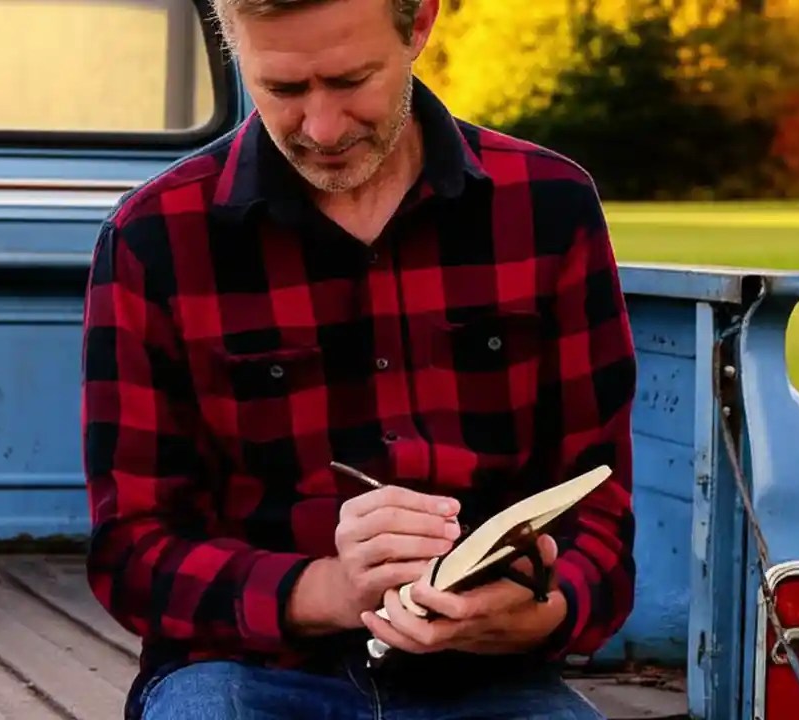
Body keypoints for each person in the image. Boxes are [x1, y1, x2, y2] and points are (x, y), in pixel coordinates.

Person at [81, 0, 637, 717]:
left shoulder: (550, 205)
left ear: (420, 25)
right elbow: (131, 554)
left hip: (490, 678)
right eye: (282, 90)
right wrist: (333, 591)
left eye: (350, 81)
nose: (322, 128)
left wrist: (543, 612)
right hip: (242, 674)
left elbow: (601, 508)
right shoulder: (153, 237)